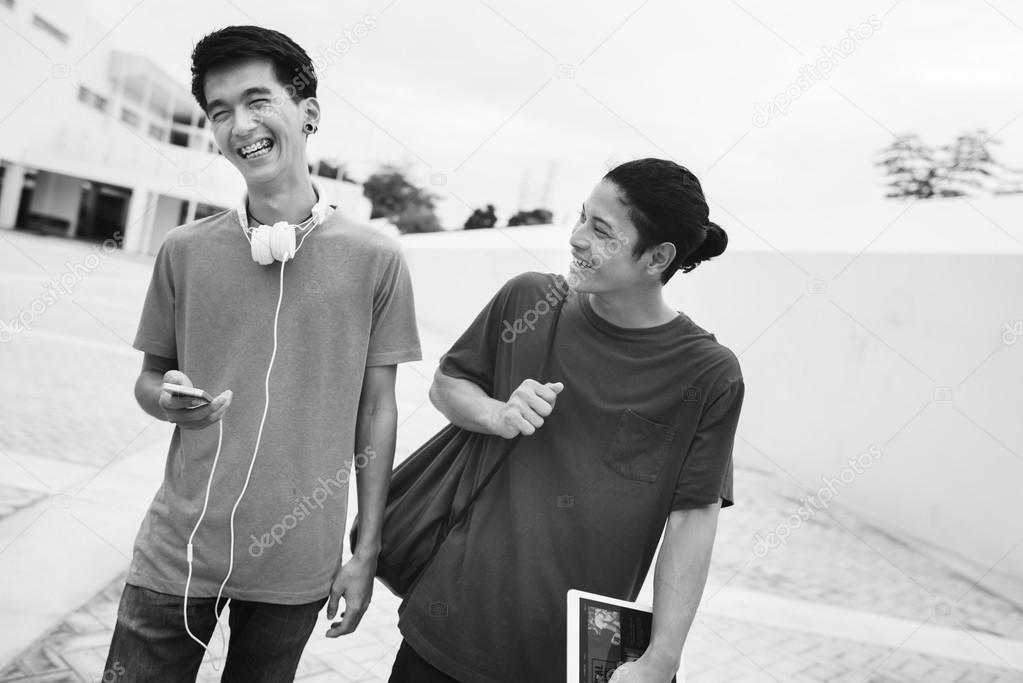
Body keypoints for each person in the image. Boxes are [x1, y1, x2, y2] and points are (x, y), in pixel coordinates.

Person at [104, 26, 421, 682]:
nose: (238, 124)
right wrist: (165, 399)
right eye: (219, 111)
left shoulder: (377, 261)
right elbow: (148, 378)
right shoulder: (183, 250)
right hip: (176, 553)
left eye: (256, 100)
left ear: (308, 110)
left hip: (296, 567)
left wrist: (366, 550)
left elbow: (377, 412)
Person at [390, 158, 743, 683]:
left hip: (572, 658)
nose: (576, 238)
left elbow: (693, 519)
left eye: (601, 230)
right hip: (450, 624)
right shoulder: (529, 299)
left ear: (657, 258)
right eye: (582, 217)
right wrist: (497, 413)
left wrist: (660, 660)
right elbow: (448, 383)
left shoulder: (709, 374)